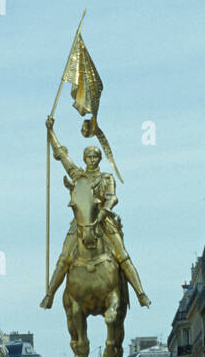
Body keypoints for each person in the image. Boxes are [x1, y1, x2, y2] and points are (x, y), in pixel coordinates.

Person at [40, 114, 151, 309]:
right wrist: (51, 132)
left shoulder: (107, 178)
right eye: (89, 157)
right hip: (81, 223)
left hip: (103, 220)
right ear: (84, 159)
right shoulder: (78, 176)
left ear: (99, 159)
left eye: (95, 157)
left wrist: (103, 212)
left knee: (122, 255)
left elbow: (112, 197)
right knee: (64, 257)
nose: (92, 160)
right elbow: (61, 155)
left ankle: (140, 293)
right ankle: (49, 294)